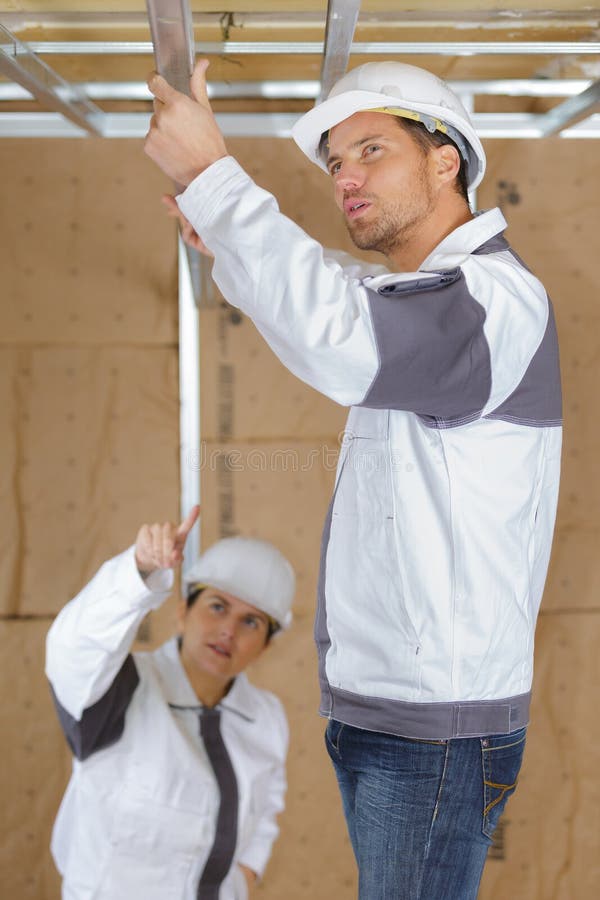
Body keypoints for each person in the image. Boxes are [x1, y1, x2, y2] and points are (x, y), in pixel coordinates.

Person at [144, 59, 562, 899]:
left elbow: (344, 335)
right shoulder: (429, 294)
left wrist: (212, 179)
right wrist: (229, 238)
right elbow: (343, 291)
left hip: (433, 733)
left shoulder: (493, 303)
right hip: (389, 712)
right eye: (336, 162)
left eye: (371, 149)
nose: (347, 178)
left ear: (447, 160)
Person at [46, 505, 295, 900]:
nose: (228, 630)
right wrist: (138, 573)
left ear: (264, 646)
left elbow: (265, 812)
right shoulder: (120, 690)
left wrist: (245, 878)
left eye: (251, 622)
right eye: (217, 606)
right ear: (182, 612)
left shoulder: (265, 717)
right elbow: (72, 648)